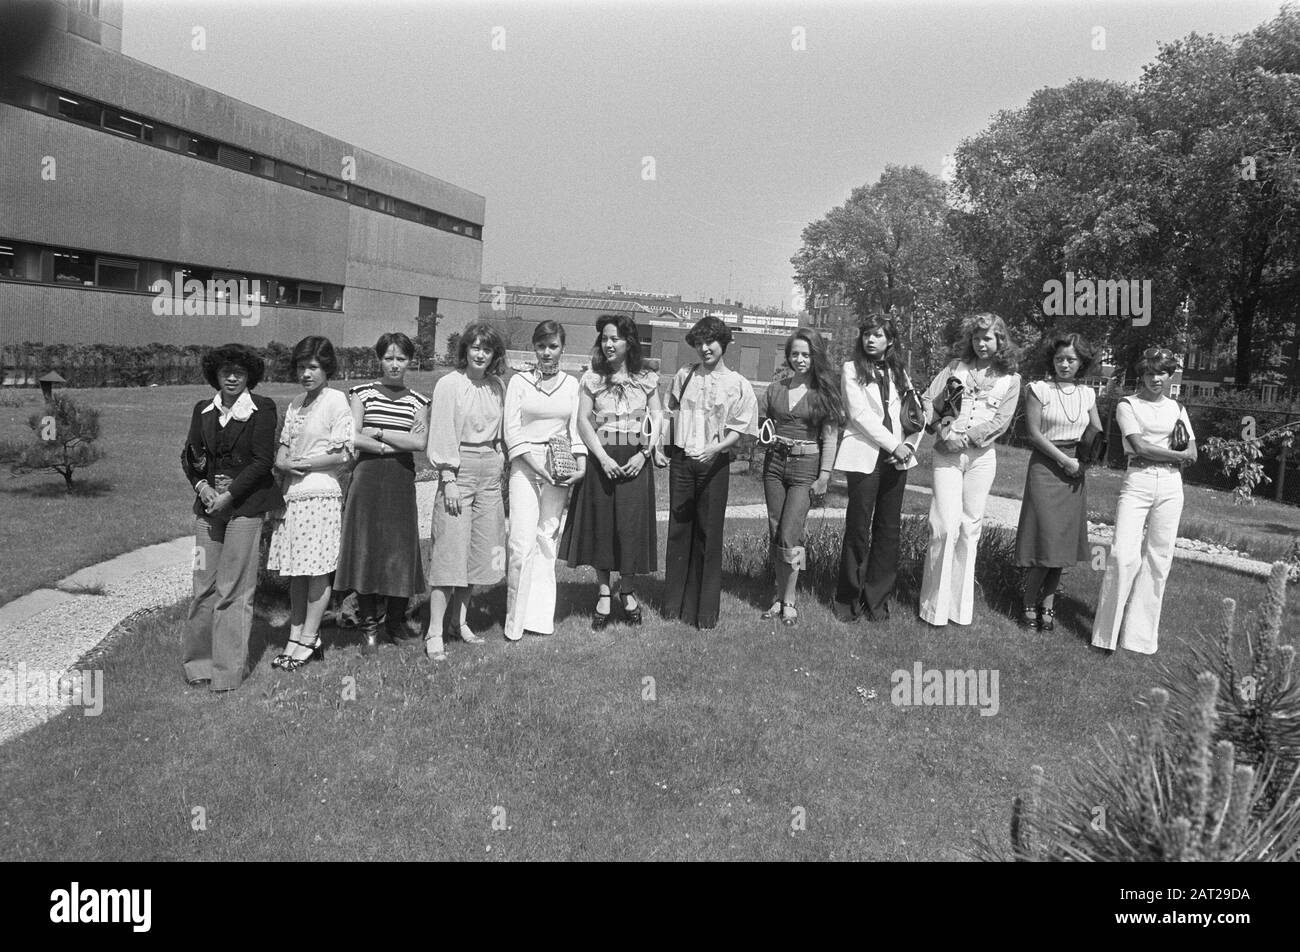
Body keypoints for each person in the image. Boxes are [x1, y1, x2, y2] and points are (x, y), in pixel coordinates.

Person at [181, 343, 284, 691]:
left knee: (234, 591)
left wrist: (228, 494)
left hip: (245, 507)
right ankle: (198, 667)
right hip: (209, 510)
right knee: (202, 587)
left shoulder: (262, 408)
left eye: (239, 372)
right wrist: (202, 488)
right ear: (216, 374)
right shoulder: (203, 410)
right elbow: (190, 456)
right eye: (226, 371)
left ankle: (226, 675)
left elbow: (261, 461)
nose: (232, 377)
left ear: (249, 376)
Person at [561, 313, 665, 629]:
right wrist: (602, 458)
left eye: (614, 338)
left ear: (628, 343)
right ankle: (605, 593)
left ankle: (629, 591)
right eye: (604, 338)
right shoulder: (592, 377)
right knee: (603, 525)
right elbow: (582, 420)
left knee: (630, 527)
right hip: (601, 457)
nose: (608, 344)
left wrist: (645, 453)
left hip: (635, 456)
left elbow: (658, 416)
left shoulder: (646, 377)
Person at [918, 313, 1022, 627]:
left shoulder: (1011, 379)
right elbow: (927, 399)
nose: (981, 344)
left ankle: (958, 609)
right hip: (946, 455)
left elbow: (1000, 422)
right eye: (977, 338)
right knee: (945, 526)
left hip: (981, 459)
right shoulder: (955, 368)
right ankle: (932, 608)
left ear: (1000, 340)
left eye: (988, 338)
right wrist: (939, 429)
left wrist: (964, 439)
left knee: (968, 530)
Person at [1092, 346, 1196, 654]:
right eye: (1150, 373)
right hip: (1138, 480)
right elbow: (1138, 446)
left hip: (1171, 485)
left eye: (1162, 372)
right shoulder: (1128, 404)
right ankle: (1104, 637)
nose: (1156, 378)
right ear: (1142, 375)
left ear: (1170, 374)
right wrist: (1177, 455)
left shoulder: (1177, 408)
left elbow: (1194, 451)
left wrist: (1177, 455)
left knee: (1158, 559)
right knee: (1123, 555)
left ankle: (1140, 639)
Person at [335, 332, 430, 654]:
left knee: (400, 550)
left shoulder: (418, 400)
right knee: (367, 549)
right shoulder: (361, 393)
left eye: (401, 358)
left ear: (410, 361)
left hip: (400, 479)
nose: (394, 364)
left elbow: (419, 444)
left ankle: (396, 622)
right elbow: (351, 436)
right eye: (388, 358)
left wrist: (375, 432)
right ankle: (369, 626)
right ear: (379, 359)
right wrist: (388, 442)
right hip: (368, 479)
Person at [662, 315, 758, 630]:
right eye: (700, 343)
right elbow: (669, 412)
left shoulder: (737, 384)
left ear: (724, 343)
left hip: (714, 464)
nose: (705, 348)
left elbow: (740, 428)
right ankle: (672, 605)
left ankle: (703, 612)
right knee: (679, 529)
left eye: (711, 342)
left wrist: (715, 449)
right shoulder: (683, 375)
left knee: (708, 531)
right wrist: (663, 448)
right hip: (683, 460)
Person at [267, 336, 354, 671]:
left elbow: (342, 452)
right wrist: (285, 464)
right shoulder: (295, 405)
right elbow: (283, 449)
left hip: (320, 495)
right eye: (302, 366)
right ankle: (296, 635)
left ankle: (309, 637)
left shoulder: (335, 401)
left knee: (316, 570)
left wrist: (301, 463)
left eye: (313, 367)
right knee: (297, 573)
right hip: (293, 496)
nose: (306, 373)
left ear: (326, 368)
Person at [423, 323, 508, 661]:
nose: (479, 354)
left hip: (490, 471)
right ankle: (434, 631)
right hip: (459, 470)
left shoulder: (497, 386)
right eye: (474, 347)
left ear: (493, 355)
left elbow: (500, 430)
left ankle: (460, 623)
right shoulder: (449, 384)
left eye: (486, 349)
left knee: (479, 553)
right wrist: (448, 478)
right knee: (449, 553)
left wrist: (499, 457)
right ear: (465, 350)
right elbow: (441, 430)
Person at [832, 315, 924, 623]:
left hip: (897, 460)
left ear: (890, 341)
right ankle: (847, 601)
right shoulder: (850, 369)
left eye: (878, 335)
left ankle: (877, 602)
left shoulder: (900, 373)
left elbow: (916, 413)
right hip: (866, 456)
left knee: (888, 531)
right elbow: (858, 415)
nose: (870, 340)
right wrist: (893, 446)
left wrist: (909, 446)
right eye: (867, 335)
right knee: (858, 527)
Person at [503, 320, 587, 640]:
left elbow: (576, 430)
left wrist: (579, 466)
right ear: (533, 348)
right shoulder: (519, 383)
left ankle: (539, 620)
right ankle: (515, 623)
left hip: (558, 469)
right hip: (525, 469)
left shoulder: (571, 385)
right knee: (521, 543)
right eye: (542, 346)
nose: (547, 353)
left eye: (553, 346)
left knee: (546, 541)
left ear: (562, 348)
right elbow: (511, 431)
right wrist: (535, 467)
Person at [1014, 333, 1103, 632]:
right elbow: (1034, 434)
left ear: (1082, 363)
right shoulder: (1038, 390)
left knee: (1062, 545)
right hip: (1046, 467)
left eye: (1071, 359)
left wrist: (1084, 464)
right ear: (1052, 361)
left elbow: (1097, 433)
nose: (1065, 364)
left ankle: (1048, 604)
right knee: (1047, 539)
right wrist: (1064, 461)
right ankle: (1028, 600)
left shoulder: (1088, 395)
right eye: (1059, 359)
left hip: (1076, 470)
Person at [758, 327, 841, 627]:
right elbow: (761, 425)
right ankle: (777, 595)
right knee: (776, 530)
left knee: (792, 533)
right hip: (775, 465)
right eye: (795, 354)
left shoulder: (824, 393)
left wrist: (825, 475)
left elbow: (830, 438)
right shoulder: (776, 388)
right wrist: (761, 436)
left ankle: (789, 599)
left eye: (806, 354)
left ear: (815, 356)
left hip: (806, 468)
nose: (800, 359)